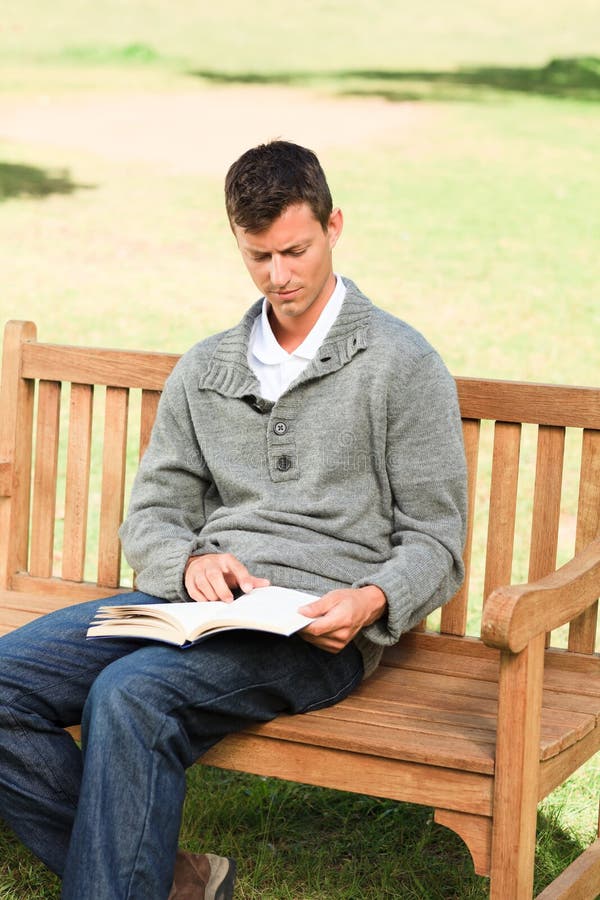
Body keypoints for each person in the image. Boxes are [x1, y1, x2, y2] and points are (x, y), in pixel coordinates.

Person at [0, 140, 467, 899]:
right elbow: (154, 510)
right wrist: (188, 563)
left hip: (318, 627)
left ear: (333, 226)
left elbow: (437, 539)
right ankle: (163, 878)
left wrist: (372, 600)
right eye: (259, 257)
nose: (280, 276)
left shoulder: (401, 363)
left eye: (295, 251)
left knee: (130, 696)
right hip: (195, 608)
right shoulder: (207, 367)